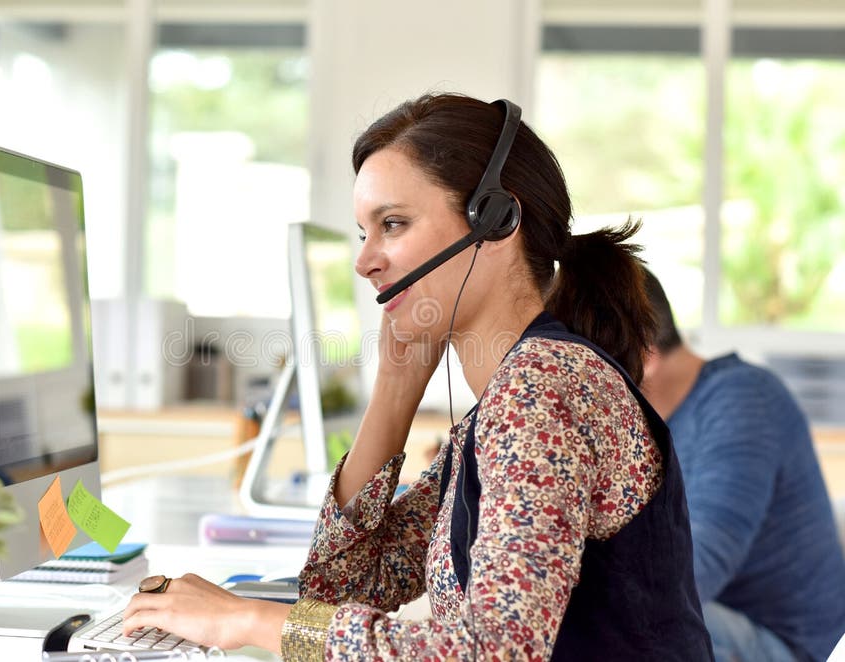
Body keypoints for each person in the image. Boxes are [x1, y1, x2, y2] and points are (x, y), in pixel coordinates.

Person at [122, 93, 713, 660]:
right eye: (364, 233)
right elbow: (339, 589)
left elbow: (494, 653)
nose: (365, 261)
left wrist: (244, 620)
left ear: (497, 220)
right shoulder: (504, 401)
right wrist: (395, 391)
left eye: (394, 224)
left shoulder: (542, 393)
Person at [641, 268, 845, 662]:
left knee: (636, 618)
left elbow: (696, 571)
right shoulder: (655, 425)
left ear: (645, 355)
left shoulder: (743, 399)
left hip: (793, 646)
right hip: (726, 622)